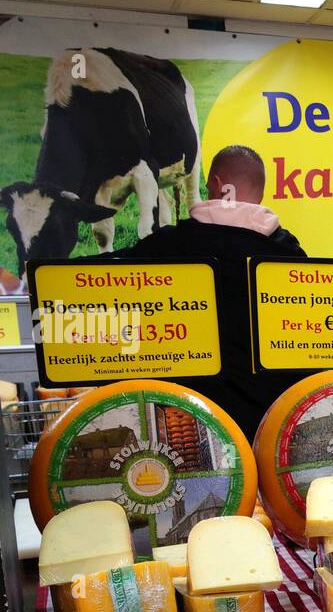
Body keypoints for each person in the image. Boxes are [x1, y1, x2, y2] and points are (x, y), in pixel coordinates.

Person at [117, 145, 307, 438]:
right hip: (270, 426)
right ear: (261, 193)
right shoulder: (291, 256)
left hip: (185, 425)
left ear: (217, 185)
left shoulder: (168, 246)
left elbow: (98, 279)